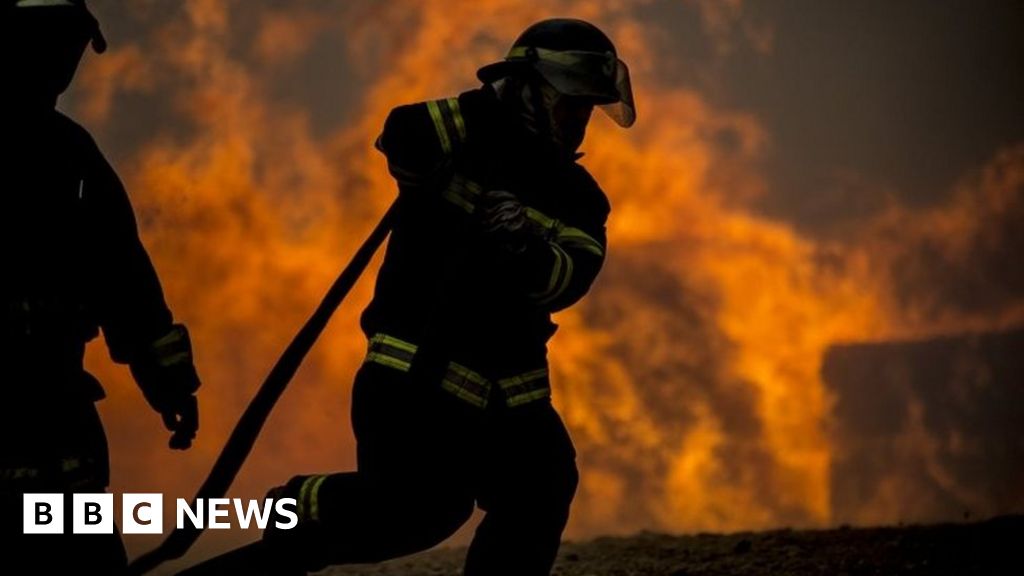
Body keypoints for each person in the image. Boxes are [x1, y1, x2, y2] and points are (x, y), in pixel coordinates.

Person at [185, 17, 635, 576]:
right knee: (418, 513)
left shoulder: (579, 196)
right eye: (568, 103)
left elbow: (570, 280)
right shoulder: (464, 135)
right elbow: (405, 132)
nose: (576, 121)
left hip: (510, 399)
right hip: (416, 381)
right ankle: (300, 506)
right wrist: (487, 118)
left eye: (586, 110)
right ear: (523, 88)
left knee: (541, 488)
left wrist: (524, 246)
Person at [0, 1, 202, 573]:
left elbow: (123, 276)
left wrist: (170, 384)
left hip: (54, 401)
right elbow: (123, 275)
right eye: (55, 47)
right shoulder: (64, 151)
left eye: (71, 49)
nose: (65, 67)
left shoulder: (69, 152)